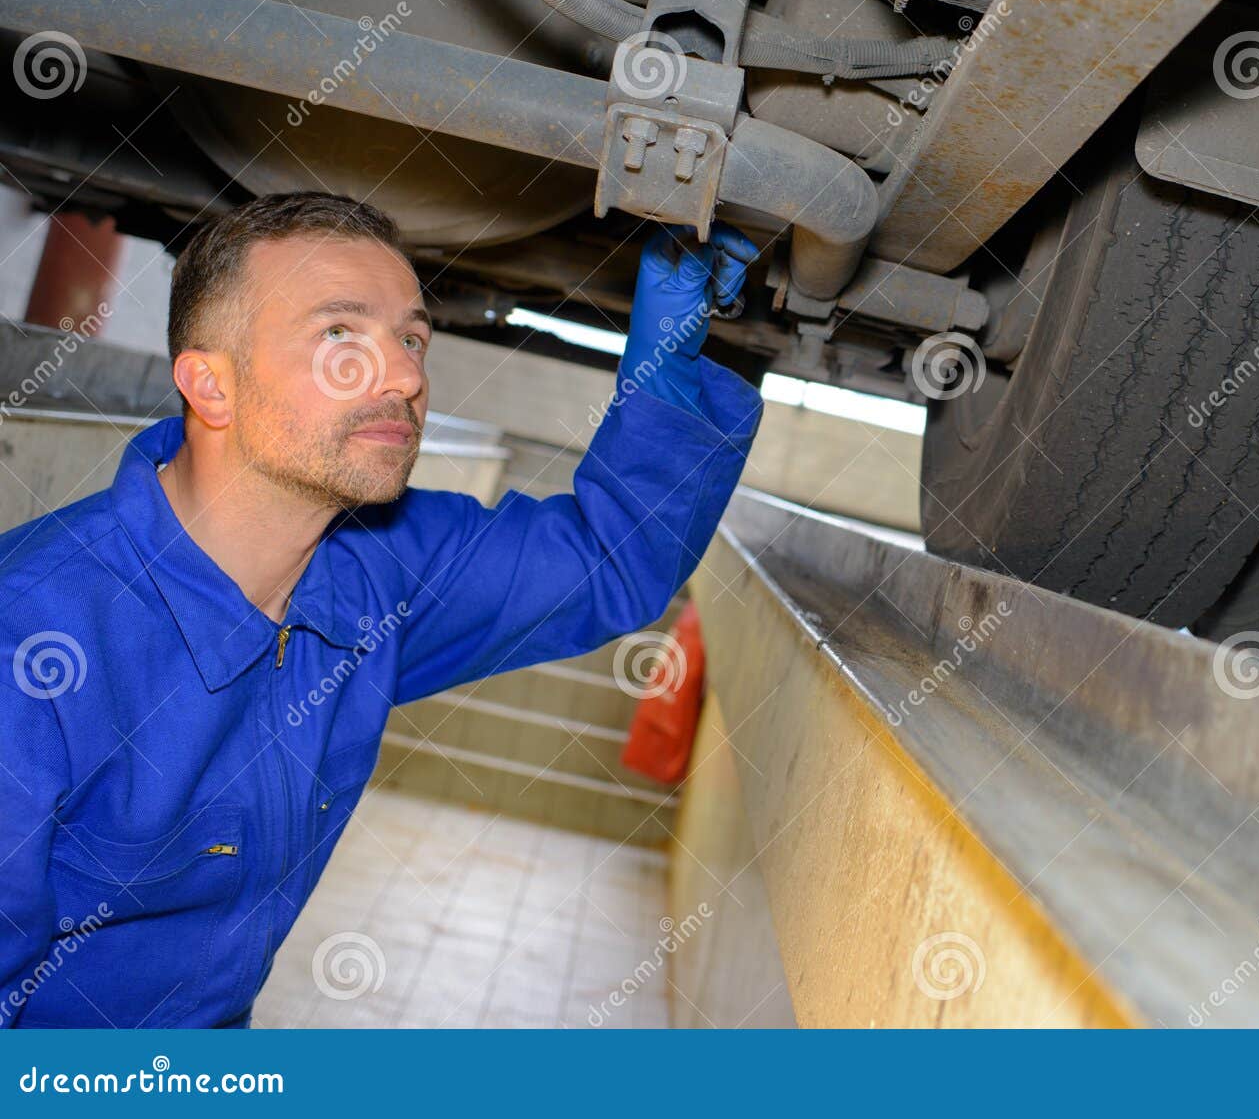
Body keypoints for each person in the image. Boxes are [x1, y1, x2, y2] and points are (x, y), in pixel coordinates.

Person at [0, 192, 762, 1027]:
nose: (405, 378)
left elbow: (606, 560)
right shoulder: (31, 647)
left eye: (411, 339)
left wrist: (669, 372)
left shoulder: (372, 568)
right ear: (211, 385)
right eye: (340, 334)